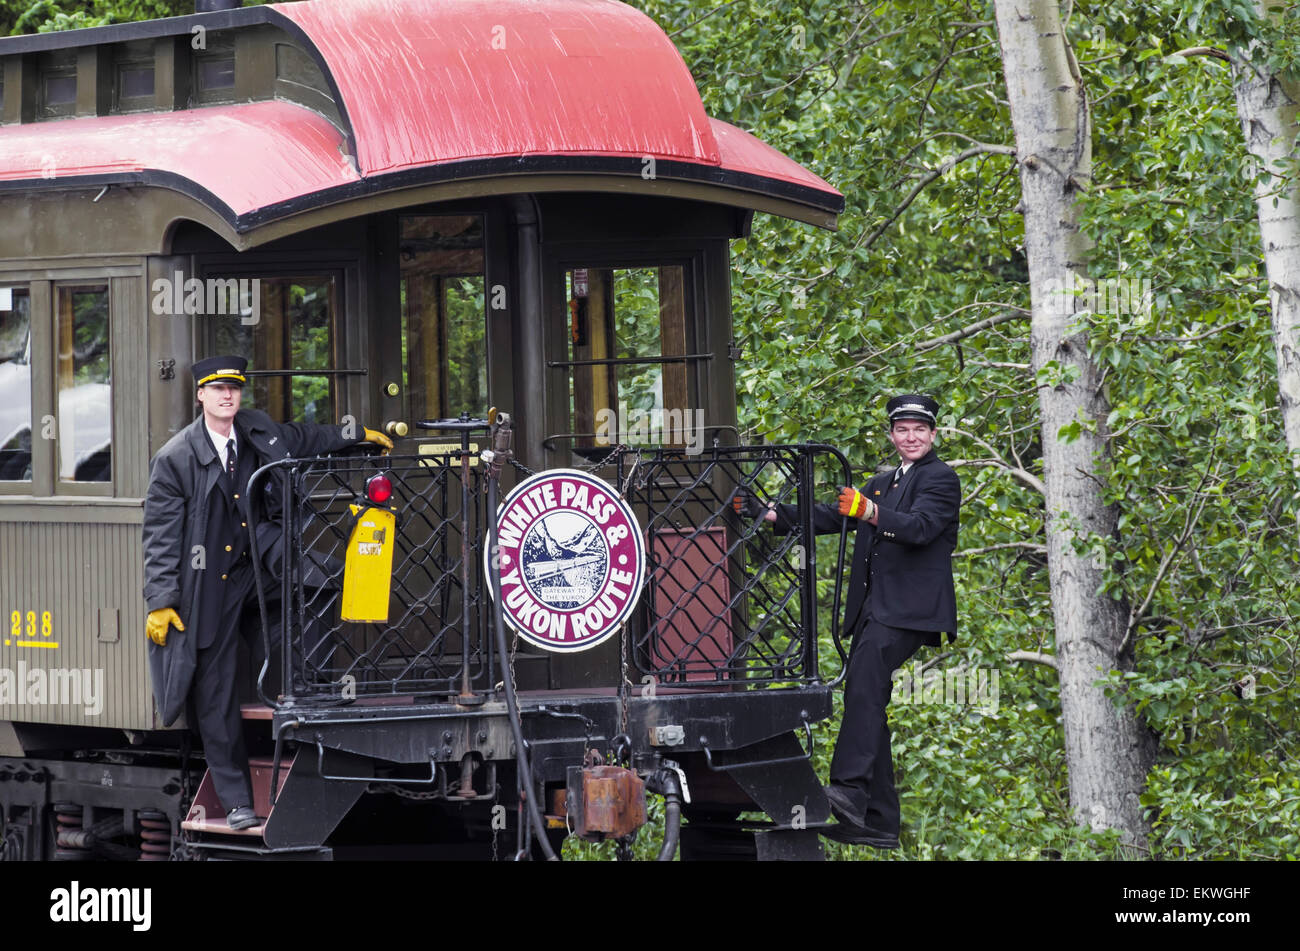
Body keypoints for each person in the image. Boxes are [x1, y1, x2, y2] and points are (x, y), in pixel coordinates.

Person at [142, 356, 393, 830]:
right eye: (216, 390)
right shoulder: (175, 458)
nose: (226, 397)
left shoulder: (257, 430)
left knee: (317, 583)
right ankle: (237, 800)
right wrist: (160, 601)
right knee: (213, 693)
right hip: (207, 580)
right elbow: (159, 534)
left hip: (258, 562)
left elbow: (306, 437)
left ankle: (314, 690)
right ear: (200, 396)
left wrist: (355, 434)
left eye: (233, 389)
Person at [737, 393, 959, 848]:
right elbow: (831, 515)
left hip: (909, 611)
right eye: (903, 429)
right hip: (873, 610)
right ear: (892, 435)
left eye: (920, 429)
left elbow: (920, 528)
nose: (911, 436)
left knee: (863, 686)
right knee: (866, 696)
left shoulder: (940, 478)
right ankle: (878, 821)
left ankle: (850, 790)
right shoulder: (882, 482)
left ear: (934, 435)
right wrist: (773, 514)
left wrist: (871, 512)